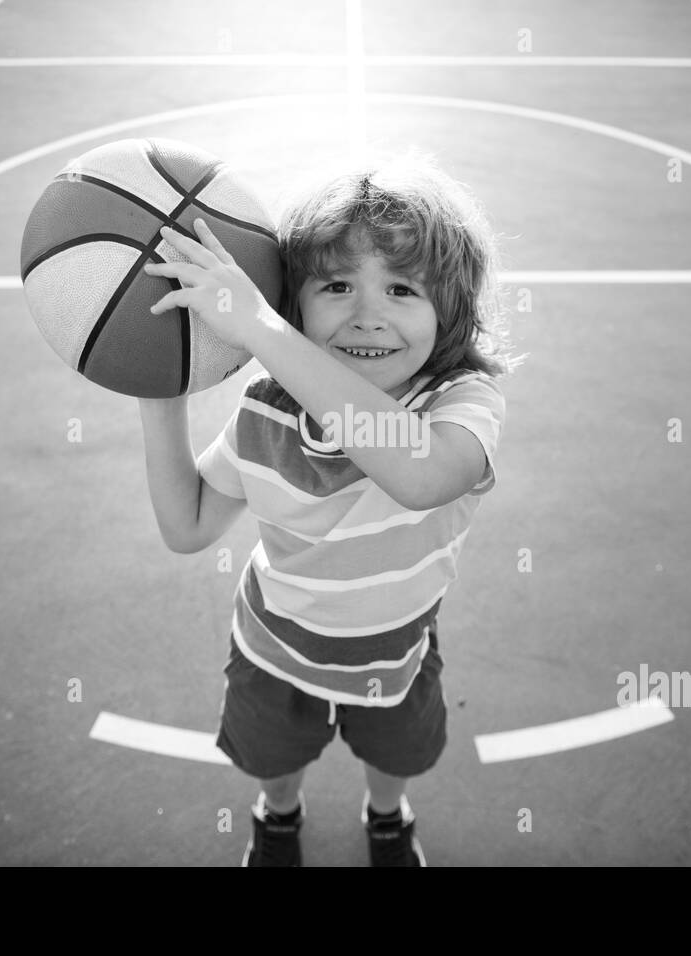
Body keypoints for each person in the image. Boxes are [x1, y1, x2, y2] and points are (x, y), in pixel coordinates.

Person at [137, 149, 516, 866]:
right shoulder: (265, 415)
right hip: (276, 642)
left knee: (393, 752)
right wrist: (159, 391)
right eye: (336, 285)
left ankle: (386, 814)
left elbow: (419, 477)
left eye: (404, 290)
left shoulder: (461, 405)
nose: (368, 316)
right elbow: (187, 527)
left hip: (396, 644)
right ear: (295, 303)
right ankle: (278, 817)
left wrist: (260, 331)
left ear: (452, 310)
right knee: (274, 761)